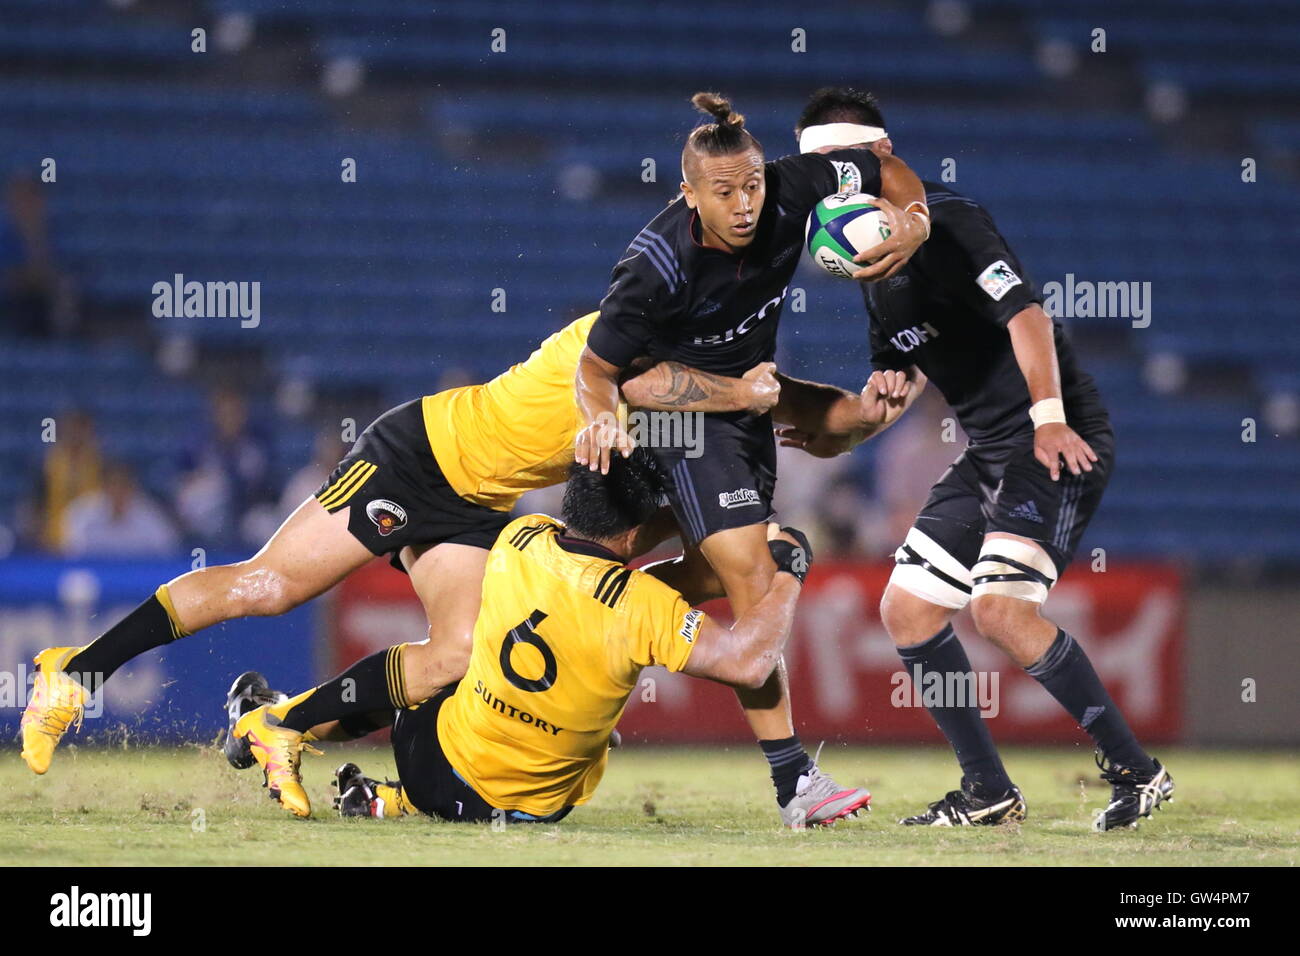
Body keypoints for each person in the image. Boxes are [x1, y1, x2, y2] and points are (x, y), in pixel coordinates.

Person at [18, 313, 777, 783]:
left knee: (457, 656)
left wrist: (833, 409)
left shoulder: (672, 367)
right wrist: (752, 397)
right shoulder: (613, 350)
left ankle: (281, 722)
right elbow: (657, 389)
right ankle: (75, 673)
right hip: (416, 457)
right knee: (269, 588)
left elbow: (701, 403)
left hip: (477, 506)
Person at [777, 87, 1174, 831]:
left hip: (1048, 437)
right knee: (906, 609)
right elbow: (900, 369)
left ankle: (1137, 771)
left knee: (998, 608)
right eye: (816, 167)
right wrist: (865, 408)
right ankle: (987, 789)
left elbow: (1026, 313)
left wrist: (1050, 420)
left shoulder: (950, 218)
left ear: (882, 159)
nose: (829, 180)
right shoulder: (867, 261)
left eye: (841, 162)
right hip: (988, 449)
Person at [574, 92, 927, 824]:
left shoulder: (795, 187)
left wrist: (914, 224)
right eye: (725, 192)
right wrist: (605, 417)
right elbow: (605, 372)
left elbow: (887, 169)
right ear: (689, 194)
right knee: (757, 578)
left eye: (753, 185)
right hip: (682, 420)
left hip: (749, 408)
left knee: (700, 573)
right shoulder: (656, 263)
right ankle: (794, 783)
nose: (744, 205)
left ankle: (600, 625)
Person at [235, 451, 856, 828]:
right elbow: (750, 663)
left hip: (436, 768)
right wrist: (788, 575)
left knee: (444, 664)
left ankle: (287, 721)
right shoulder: (644, 608)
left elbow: (611, 579)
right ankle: (282, 724)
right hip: (538, 807)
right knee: (451, 669)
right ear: (638, 528)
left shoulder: (523, 539)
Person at [62, 460, 179, 557]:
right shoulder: (81, 513)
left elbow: (168, 552)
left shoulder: (150, 514)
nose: (118, 491)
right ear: (104, 487)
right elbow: (70, 555)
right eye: (113, 485)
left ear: (132, 487)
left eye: (123, 485)